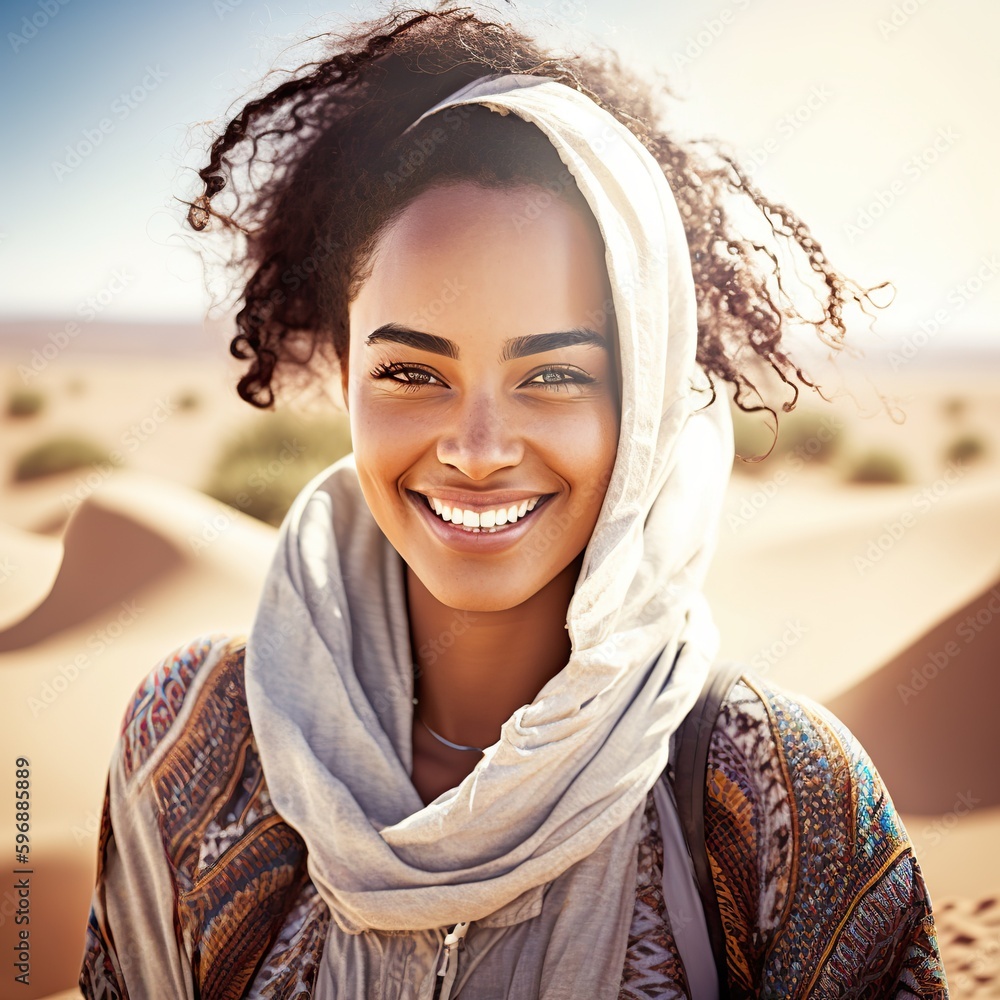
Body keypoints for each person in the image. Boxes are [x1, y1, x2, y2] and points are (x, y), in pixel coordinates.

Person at [78, 6, 949, 998]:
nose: (478, 450)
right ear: (344, 369)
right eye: (411, 371)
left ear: (646, 397)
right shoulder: (191, 740)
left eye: (554, 376)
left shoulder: (775, 790)